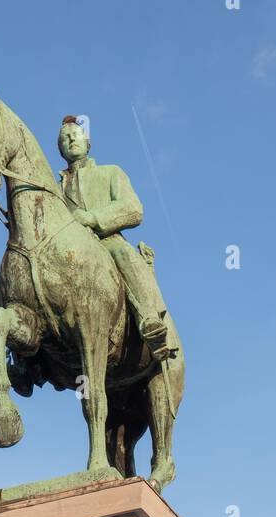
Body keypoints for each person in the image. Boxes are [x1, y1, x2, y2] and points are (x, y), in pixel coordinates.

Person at [57, 116, 171, 362]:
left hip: (106, 241)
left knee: (124, 254)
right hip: (68, 255)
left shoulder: (111, 172)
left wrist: (93, 218)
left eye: (75, 135)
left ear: (88, 143)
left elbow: (133, 208)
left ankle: (150, 319)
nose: (70, 139)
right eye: (64, 138)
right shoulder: (55, 189)